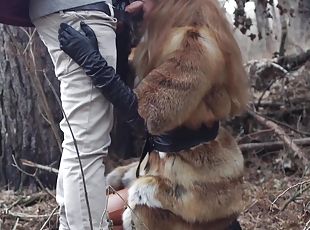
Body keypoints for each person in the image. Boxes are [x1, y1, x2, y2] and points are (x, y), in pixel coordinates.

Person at [58, 0, 248, 229]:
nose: (136, 3)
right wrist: (122, 35)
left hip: (197, 180)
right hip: (177, 165)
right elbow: (138, 88)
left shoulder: (196, 45)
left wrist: (94, 64)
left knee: (97, 215)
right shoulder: (172, 37)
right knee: (88, 209)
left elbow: (146, 116)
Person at [28, 1, 143, 229]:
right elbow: (151, 121)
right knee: (86, 145)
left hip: (71, 9)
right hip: (81, 9)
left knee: (81, 143)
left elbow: (152, 122)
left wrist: (95, 65)